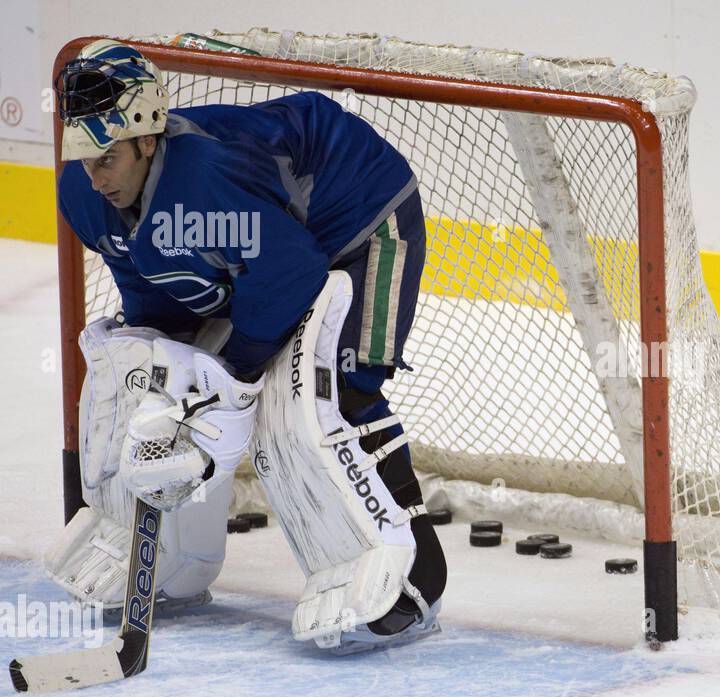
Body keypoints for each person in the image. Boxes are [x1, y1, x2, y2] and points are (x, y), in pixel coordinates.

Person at [46, 38, 447, 653]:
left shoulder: (206, 179)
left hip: (365, 218)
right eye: (86, 159)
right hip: (280, 240)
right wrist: (171, 366)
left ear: (147, 141)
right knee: (147, 374)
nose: (96, 178)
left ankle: (417, 570)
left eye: (108, 159)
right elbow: (146, 277)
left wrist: (233, 379)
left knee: (333, 390)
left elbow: (290, 276)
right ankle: (173, 563)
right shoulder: (83, 193)